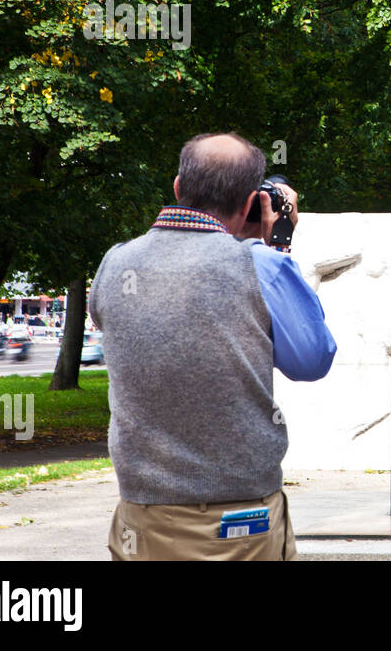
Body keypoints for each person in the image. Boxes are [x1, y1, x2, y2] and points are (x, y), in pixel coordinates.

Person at [89, 132, 336, 559]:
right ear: (250, 203)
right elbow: (311, 361)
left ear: (178, 187)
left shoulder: (116, 262)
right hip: (239, 523)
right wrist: (277, 247)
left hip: (140, 518)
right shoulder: (261, 264)